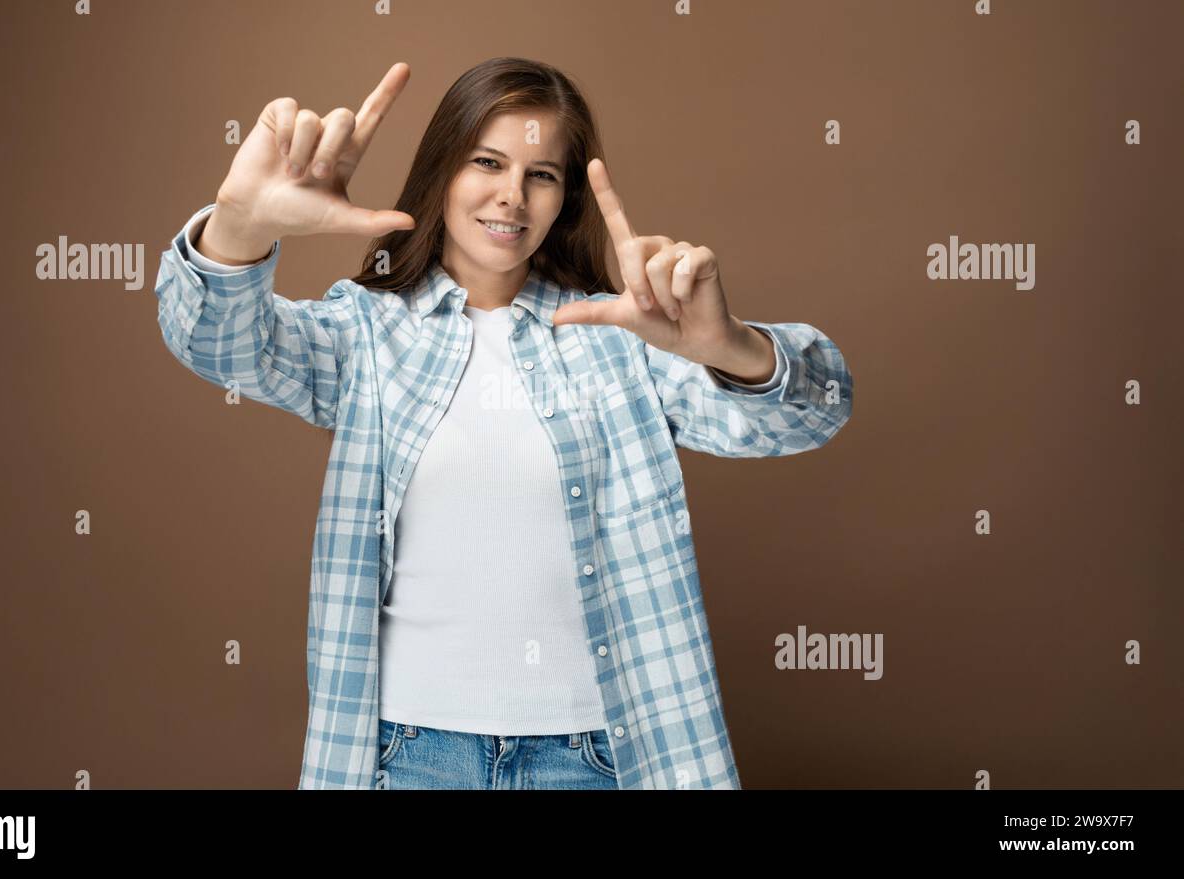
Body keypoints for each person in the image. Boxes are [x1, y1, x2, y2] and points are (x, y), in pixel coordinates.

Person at [153, 57, 853, 789]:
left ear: (565, 199)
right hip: (412, 754)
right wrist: (239, 224)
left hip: (594, 759)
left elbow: (815, 411)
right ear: (443, 170)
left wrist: (727, 344)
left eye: (542, 174)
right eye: (487, 161)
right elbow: (215, 342)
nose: (511, 197)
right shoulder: (367, 332)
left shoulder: (621, 341)